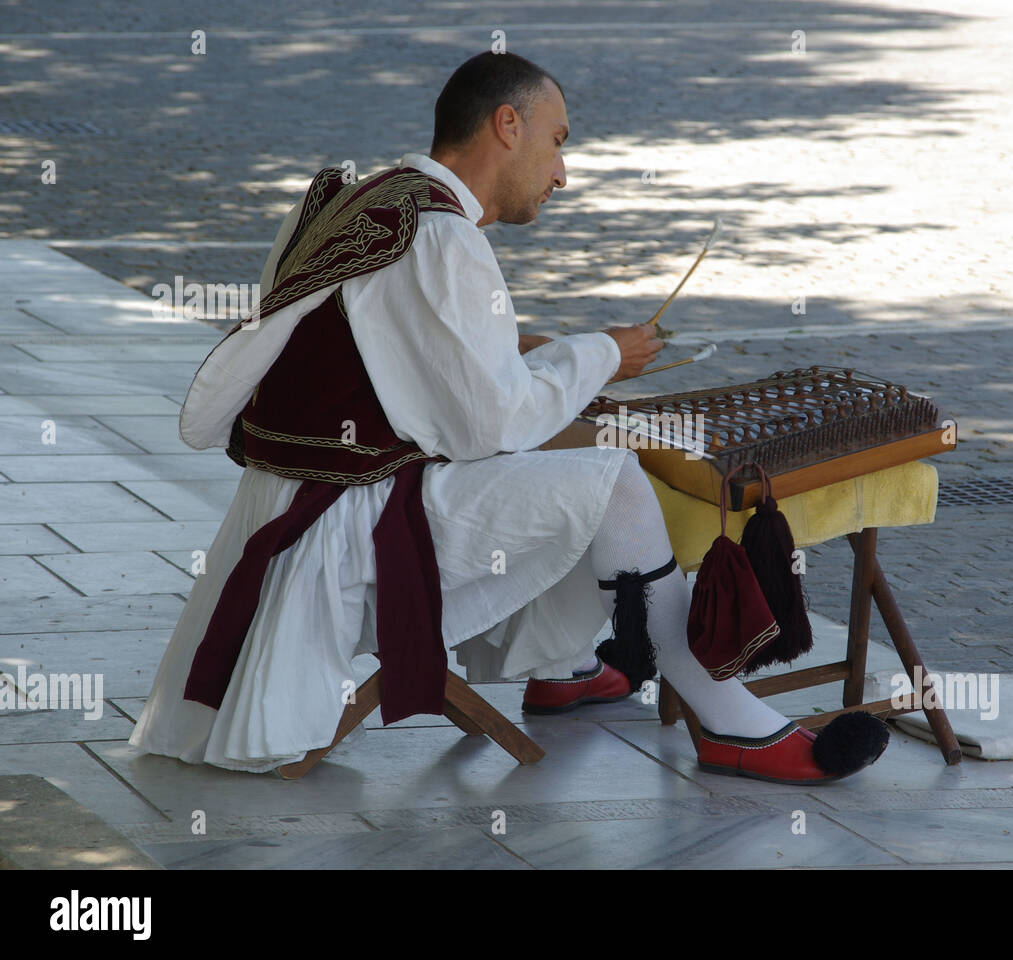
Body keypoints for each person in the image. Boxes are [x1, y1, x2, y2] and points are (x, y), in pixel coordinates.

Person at [129, 50, 886, 784]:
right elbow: (490, 427)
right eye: (557, 143)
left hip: (294, 504)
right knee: (612, 476)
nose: (562, 173)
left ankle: (565, 669)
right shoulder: (444, 237)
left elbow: (383, 352)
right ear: (506, 125)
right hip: (350, 528)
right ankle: (726, 721)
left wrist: (521, 349)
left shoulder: (358, 201)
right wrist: (599, 354)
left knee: (562, 462)